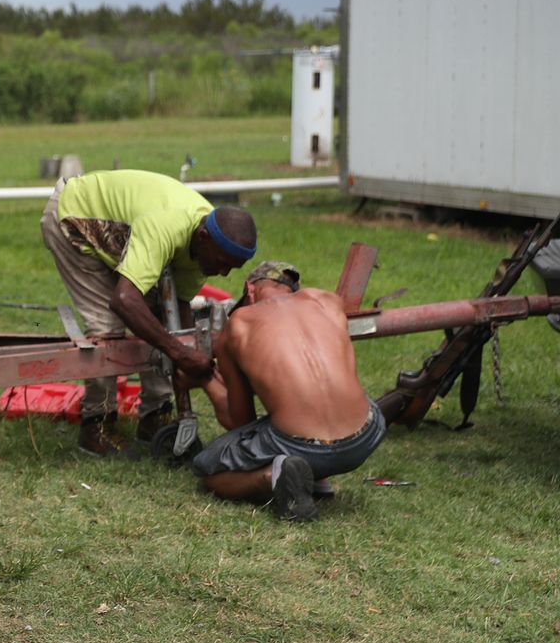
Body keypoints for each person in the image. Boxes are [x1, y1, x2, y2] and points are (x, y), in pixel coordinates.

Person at [40, 168, 257, 455]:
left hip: (122, 234)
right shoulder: (166, 226)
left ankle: (156, 416)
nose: (224, 273)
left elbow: (176, 318)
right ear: (203, 236)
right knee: (108, 327)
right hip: (74, 218)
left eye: (232, 267)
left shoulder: (207, 243)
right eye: (221, 262)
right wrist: (180, 353)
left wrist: (194, 353)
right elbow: (124, 301)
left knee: (164, 322)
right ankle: (96, 426)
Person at [187, 261, 386, 522]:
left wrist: (205, 379)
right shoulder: (326, 300)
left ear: (250, 289)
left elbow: (239, 421)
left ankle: (275, 475)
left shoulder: (238, 324)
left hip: (303, 447)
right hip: (367, 434)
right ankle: (316, 477)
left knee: (208, 470)